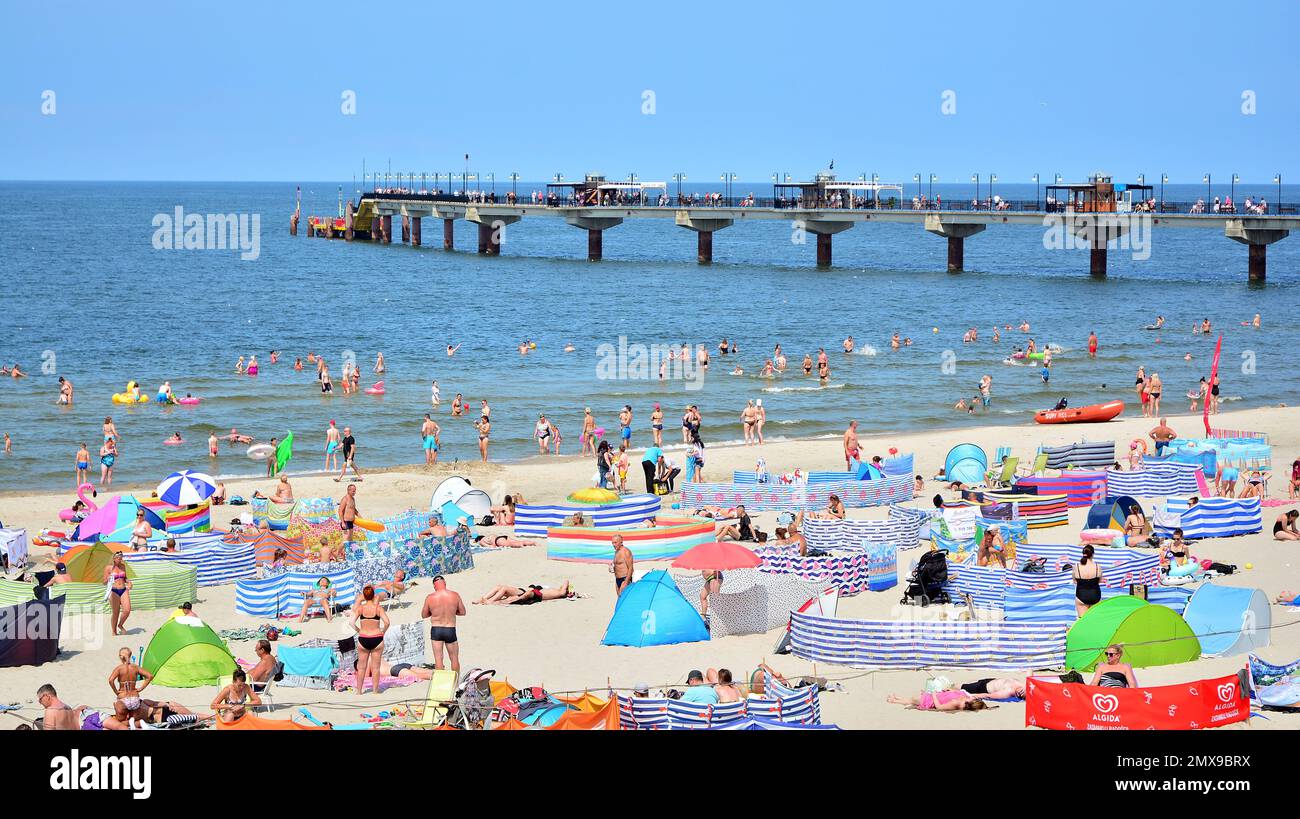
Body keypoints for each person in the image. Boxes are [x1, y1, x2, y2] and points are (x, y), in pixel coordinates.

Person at [421, 575, 465, 678]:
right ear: (445, 583)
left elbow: (424, 615)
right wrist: (452, 612)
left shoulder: (430, 597)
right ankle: (456, 682)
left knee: (438, 659)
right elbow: (463, 612)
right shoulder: (455, 595)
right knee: (454, 658)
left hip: (436, 629)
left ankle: (441, 683)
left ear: (434, 586)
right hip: (450, 629)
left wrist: (435, 613)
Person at [351, 585, 390, 696]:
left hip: (363, 638)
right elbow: (387, 622)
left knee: (361, 667)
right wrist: (383, 632)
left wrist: (359, 630)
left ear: (364, 596)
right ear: (374, 596)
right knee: (376, 667)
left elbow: (351, 623)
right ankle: (375, 690)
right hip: (376, 637)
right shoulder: (378, 608)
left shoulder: (361, 608)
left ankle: (359, 691)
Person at [109, 646, 153, 720]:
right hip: (134, 698)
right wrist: (141, 688)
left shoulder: (119, 668)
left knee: (121, 723)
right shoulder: (135, 667)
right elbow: (150, 676)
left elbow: (111, 680)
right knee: (133, 722)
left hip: (123, 697)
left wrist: (116, 691)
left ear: (121, 657)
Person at [103, 552, 132, 635]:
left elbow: (125, 578)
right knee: (116, 612)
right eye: (119, 558)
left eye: (121, 558)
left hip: (123, 589)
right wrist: (108, 579)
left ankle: (120, 625)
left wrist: (129, 582)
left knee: (127, 610)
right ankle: (114, 631)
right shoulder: (108, 568)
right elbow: (104, 582)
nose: (120, 560)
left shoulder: (123, 566)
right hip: (114, 591)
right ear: (114, 559)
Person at [1072, 544, 1103, 617]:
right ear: (1093, 554)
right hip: (1095, 595)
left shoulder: (1077, 567)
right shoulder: (1097, 567)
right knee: (1094, 620)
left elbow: (1075, 581)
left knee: (1082, 621)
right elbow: (1099, 581)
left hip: (1081, 595)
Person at [886, 690, 988, 712]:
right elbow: (955, 692)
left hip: (930, 701)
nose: (974, 697)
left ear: (971, 702)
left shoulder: (956, 704)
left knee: (913, 700)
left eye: (975, 699)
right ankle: (897, 698)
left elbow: (939, 707)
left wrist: (934, 695)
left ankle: (894, 701)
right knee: (913, 699)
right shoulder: (965, 696)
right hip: (935, 695)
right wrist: (947, 691)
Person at [959, 677, 1026, 699]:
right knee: (967, 682)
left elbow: (987, 696)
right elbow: (1029, 669)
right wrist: (1026, 686)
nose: (1020, 693)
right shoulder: (1024, 684)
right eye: (1022, 692)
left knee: (960, 687)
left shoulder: (1008, 692)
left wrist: (968, 695)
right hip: (991, 680)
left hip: (982, 688)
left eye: (1020, 696)